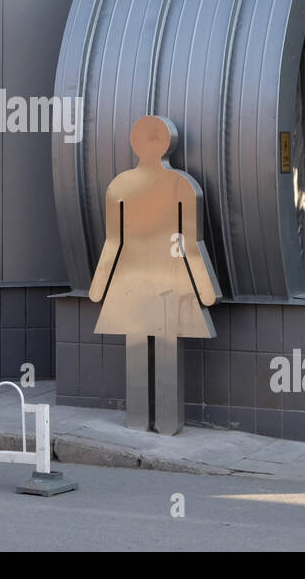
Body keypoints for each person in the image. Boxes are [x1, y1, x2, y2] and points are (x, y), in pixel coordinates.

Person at [88, 115, 221, 434]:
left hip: (129, 282)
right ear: (167, 143)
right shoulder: (180, 186)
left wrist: (99, 287)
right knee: (165, 346)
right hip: (170, 283)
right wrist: (205, 289)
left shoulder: (119, 186)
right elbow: (191, 242)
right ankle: (165, 423)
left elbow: (113, 241)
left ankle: (137, 418)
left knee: (137, 342)